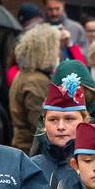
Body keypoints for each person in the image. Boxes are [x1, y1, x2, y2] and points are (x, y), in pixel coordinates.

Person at [8, 23, 60, 152]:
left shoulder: (24, 74)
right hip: (30, 150)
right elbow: (39, 124)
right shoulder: (36, 81)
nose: (58, 52)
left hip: (22, 146)